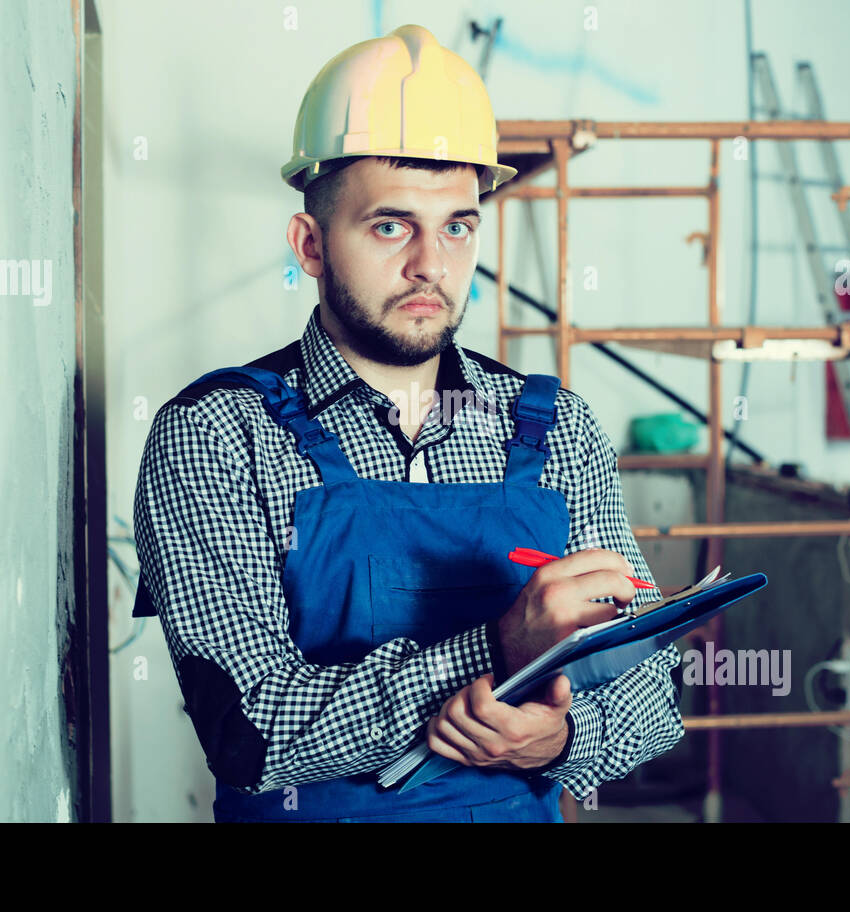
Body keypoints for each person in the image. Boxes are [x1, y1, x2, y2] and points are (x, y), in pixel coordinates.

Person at [132, 23, 684, 823]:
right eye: (391, 226)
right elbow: (249, 729)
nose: (432, 263)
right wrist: (495, 650)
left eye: (458, 226)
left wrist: (555, 742)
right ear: (311, 244)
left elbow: (652, 699)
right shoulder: (218, 433)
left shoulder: (557, 427)